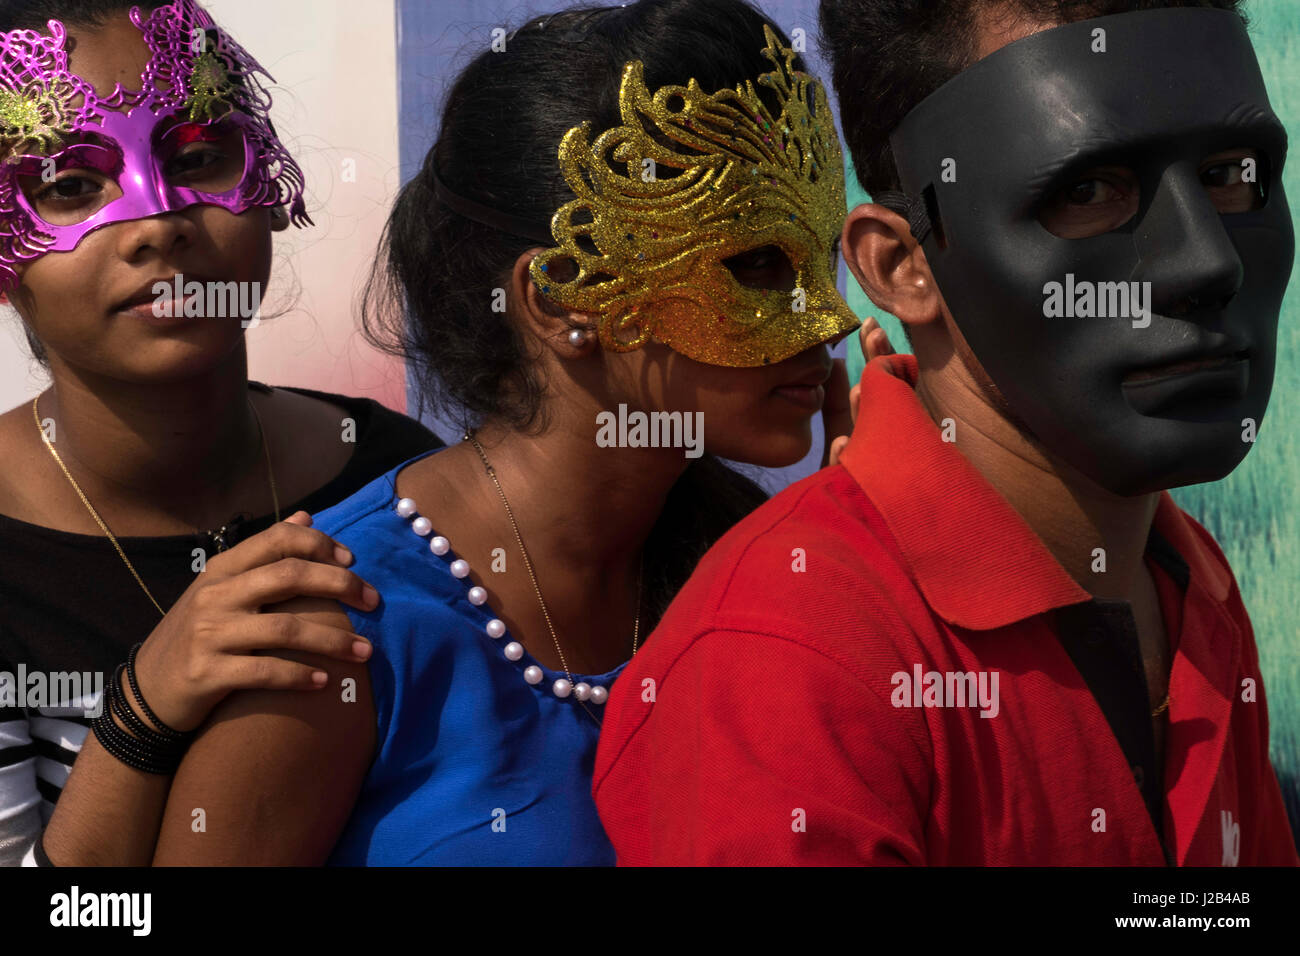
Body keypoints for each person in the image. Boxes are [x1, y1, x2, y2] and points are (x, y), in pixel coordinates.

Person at [72, 0, 865, 866]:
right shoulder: (328, 629)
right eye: (755, 266)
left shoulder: (749, 568)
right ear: (560, 298)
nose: (825, 318)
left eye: (821, 260)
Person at [593, 0, 1300, 865]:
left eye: (1233, 172)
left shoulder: (1188, 580)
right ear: (901, 266)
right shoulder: (789, 656)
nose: (1208, 262)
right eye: (1086, 191)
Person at [0, 0, 442, 866]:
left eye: (198, 157)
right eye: (70, 185)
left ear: (269, 186)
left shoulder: (395, 474)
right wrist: (140, 713)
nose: (157, 221)